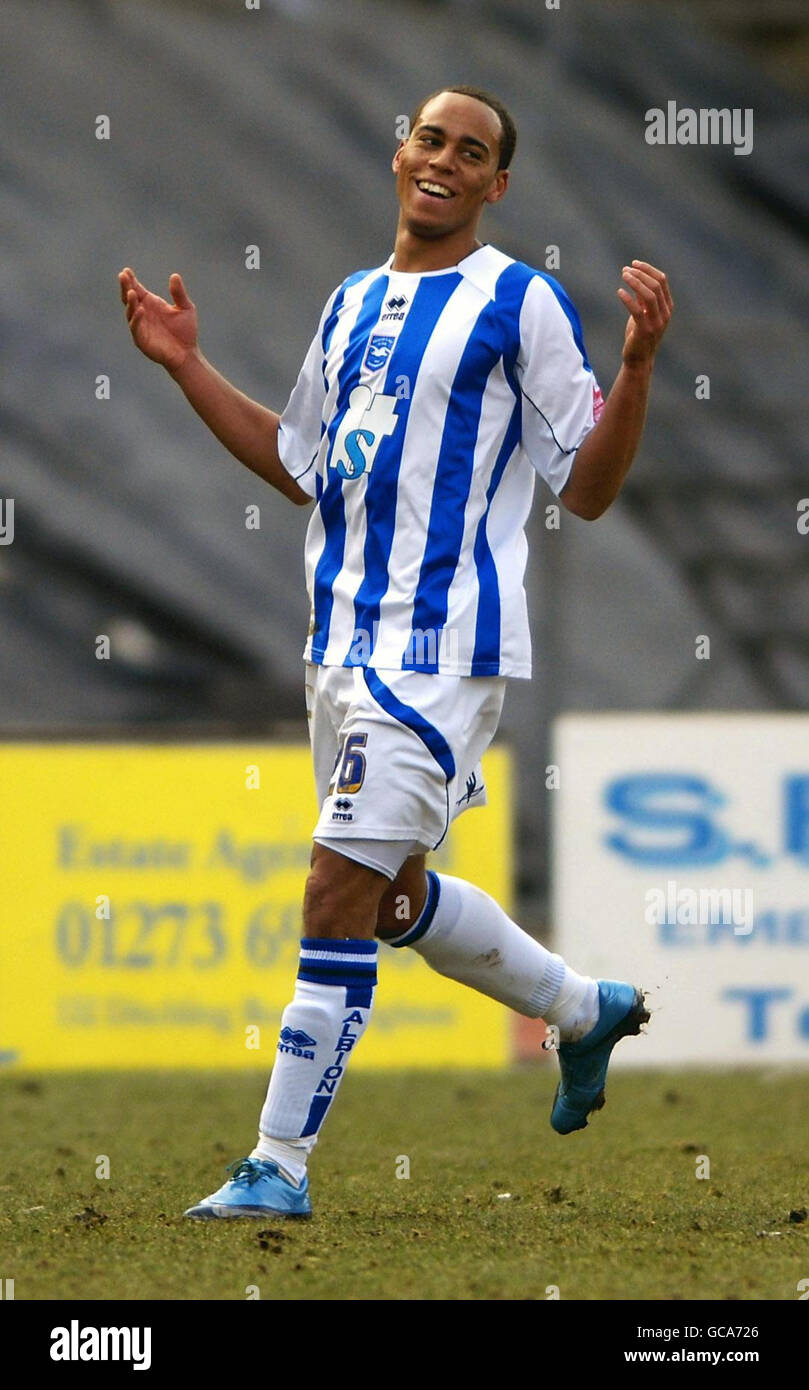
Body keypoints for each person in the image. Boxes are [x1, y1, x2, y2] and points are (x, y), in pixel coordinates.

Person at [119, 85, 672, 1221]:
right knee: (389, 899)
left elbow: (592, 487)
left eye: (471, 153)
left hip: (442, 648)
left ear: (494, 185)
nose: (445, 161)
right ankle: (582, 1008)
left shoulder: (517, 303)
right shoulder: (349, 303)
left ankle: (277, 1163)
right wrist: (185, 366)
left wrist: (638, 368)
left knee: (332, 887)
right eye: (431, 139)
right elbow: (299, 460)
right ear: (398, 153)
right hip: (339, 646)